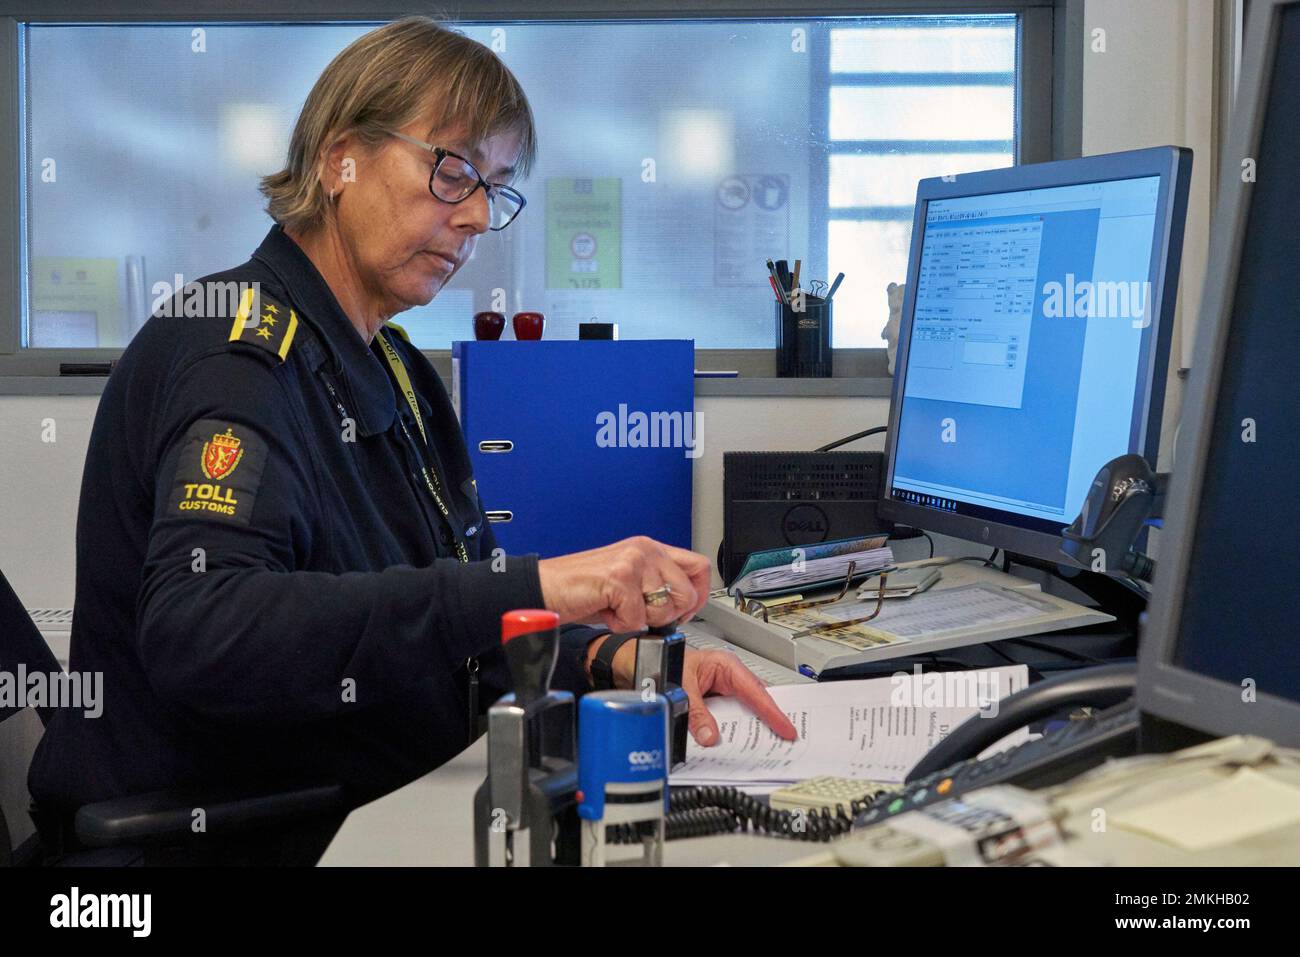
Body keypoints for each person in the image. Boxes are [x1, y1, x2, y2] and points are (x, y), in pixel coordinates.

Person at [28, 17, 796, 857]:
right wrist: (538, 580)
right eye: (452, 171)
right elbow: (204, 629)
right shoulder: (235, 354)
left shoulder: (395, 366)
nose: (474, 217)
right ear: (338, 159)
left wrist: (621, 658)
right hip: (238, 839)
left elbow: (450, 623)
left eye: (494, 188)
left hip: (385, 804)